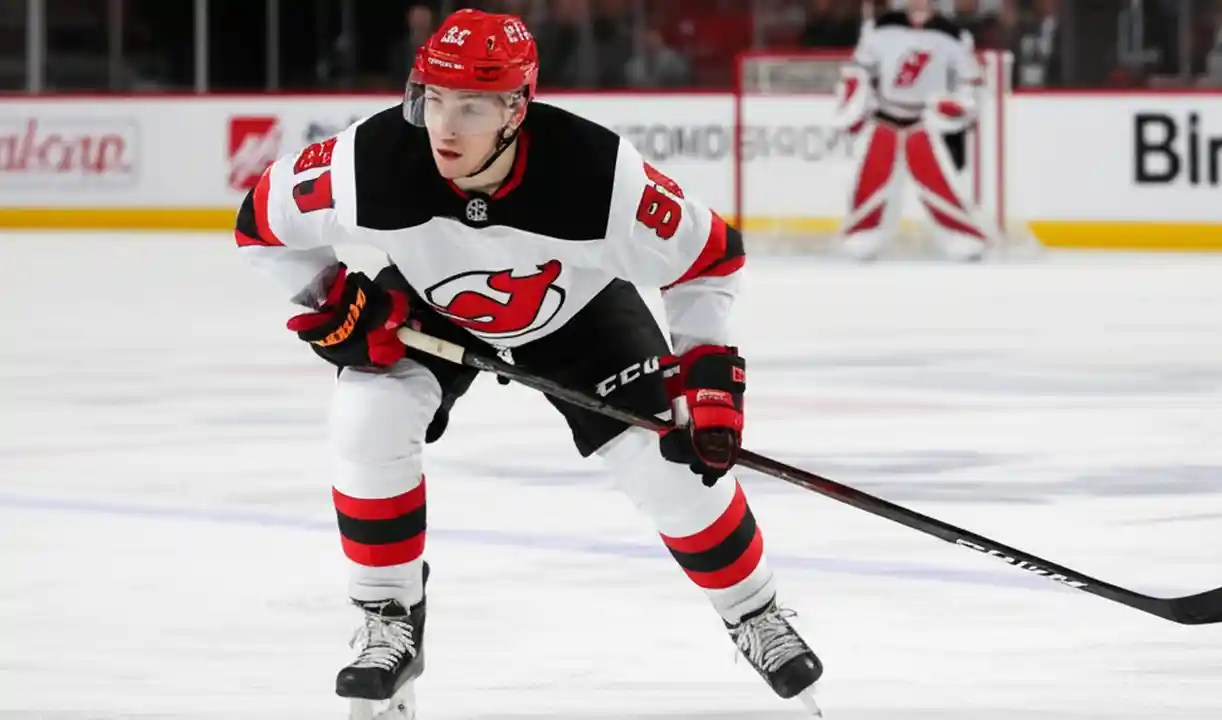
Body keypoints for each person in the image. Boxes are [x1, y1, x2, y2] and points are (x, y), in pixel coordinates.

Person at [233, 9, 822, 719]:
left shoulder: (599, 175)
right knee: (366, 420)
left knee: (669, 467)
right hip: (428, 305)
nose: (445, 128)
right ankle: (389, 618)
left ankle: (752, 611)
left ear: (516, 109)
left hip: (578, 314)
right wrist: (332, 304)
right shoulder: (372, 160)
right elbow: (260, 223)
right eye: (434, 100)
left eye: (472, 107)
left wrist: (705, 374)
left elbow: (711, 257)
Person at [835, 0, 994, 261]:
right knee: (871, 178)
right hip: (884, 118)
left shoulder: (952, 35)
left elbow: (970, 82)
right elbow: (859, 69)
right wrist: (855, 98)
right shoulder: (880, 28)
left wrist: (958, 105)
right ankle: (862, 230)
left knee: (936, 181)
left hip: (924, 122)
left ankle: (961, 234)